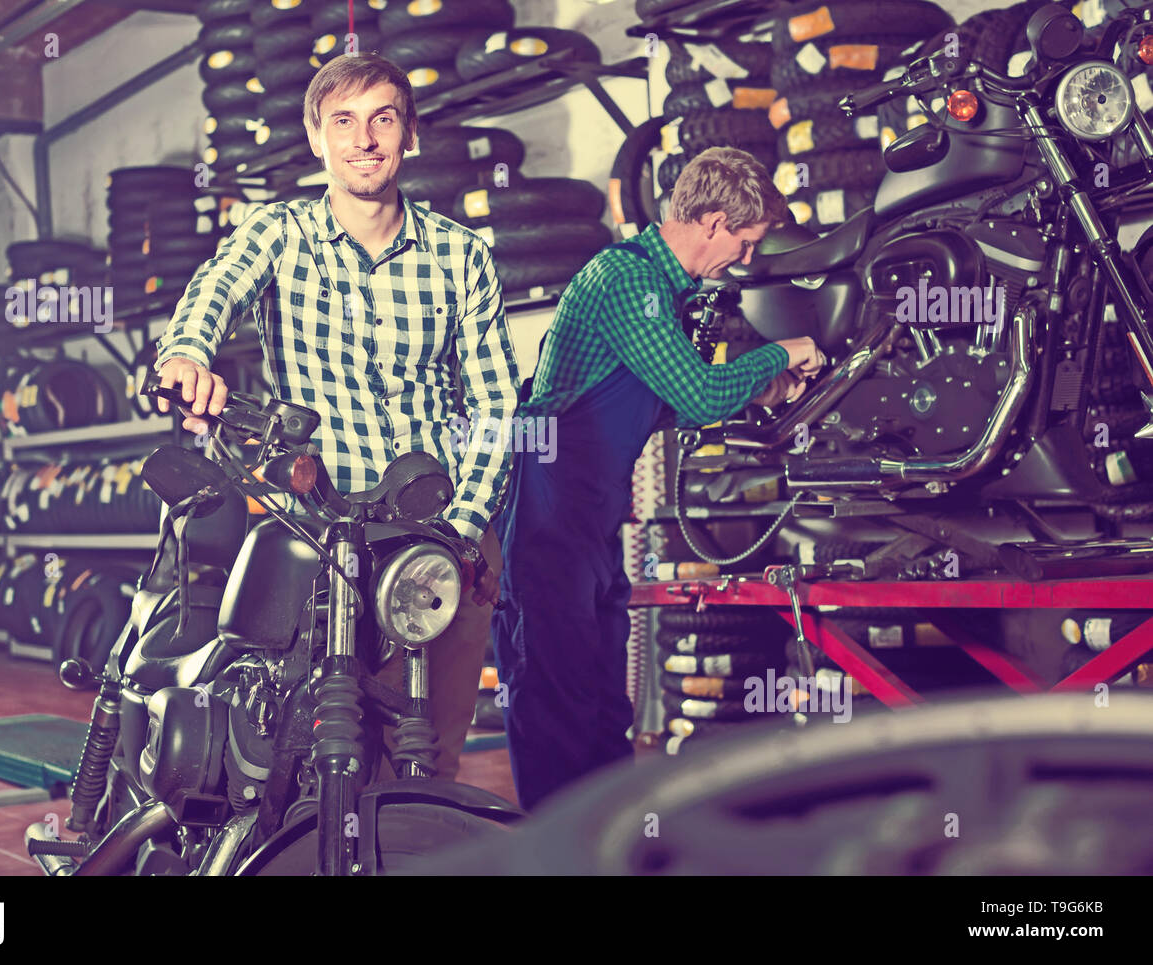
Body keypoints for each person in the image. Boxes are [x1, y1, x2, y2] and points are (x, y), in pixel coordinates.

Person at [152, 52, 520, 781]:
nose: (364, 139)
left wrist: (466, 530)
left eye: (383, 119)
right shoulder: (277, 233)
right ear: (317, 138)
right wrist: (189, 353)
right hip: (318, 532)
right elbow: (214, 288)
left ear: (409, 135)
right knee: (323, 753)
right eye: (342, 122)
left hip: (437, 532)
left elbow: (495, 402)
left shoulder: (461, 255)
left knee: (431, 754)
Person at [491, 146, 825, 810]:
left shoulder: (663, 295)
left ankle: (610, 844)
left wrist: (759, 393)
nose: (748, 259)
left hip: (591, 513)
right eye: (745, 241)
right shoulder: (627, 280)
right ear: (709, 220)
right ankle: (556, 854)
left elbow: (667, 398)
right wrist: (778, 353)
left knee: (602, 700)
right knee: (555, 699)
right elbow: (700, 396)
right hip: (548, 507)